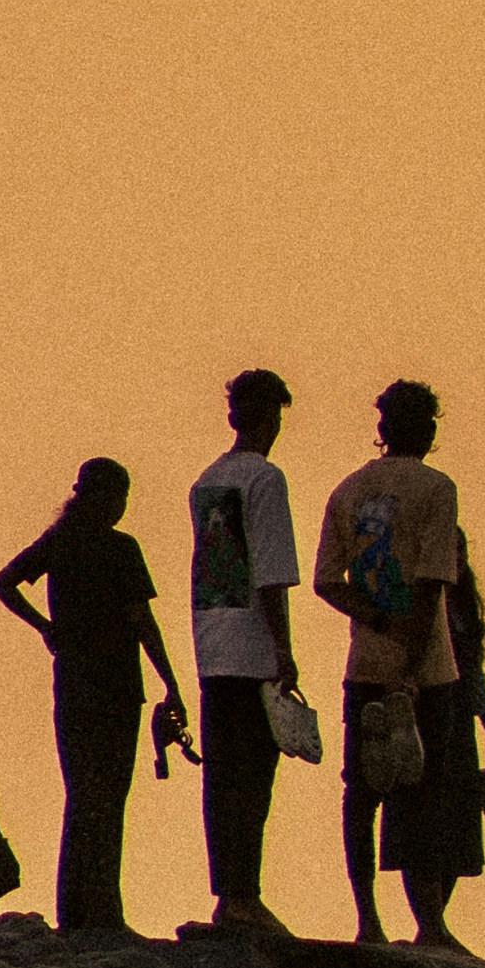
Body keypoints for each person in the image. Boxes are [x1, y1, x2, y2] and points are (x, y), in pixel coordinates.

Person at [0, 458, 187, 936]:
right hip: (117, 687)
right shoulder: (120, 548)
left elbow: (4, 583)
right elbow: (142, 620)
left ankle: (74, 911)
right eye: (121, 497)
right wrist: (172, 681)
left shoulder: (61, 541)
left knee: (81, 797)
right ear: (109, 498)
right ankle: (104, 913)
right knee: (109, 800)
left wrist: (46, 628)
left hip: (73, 685)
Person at [310, 375, 467, 950]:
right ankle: (430, 923)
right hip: (427, 669)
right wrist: (410, 667)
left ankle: (367, 921)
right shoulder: (436, 488)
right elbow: (430, 586)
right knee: (424, 791)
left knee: (361, 794)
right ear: (427, 428)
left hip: (364, 666)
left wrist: (373, 618)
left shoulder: (349, 491)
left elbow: (328, 581)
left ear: (382, 429)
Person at [187, 367, 304, 936]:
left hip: (212, 648)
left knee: (222, 781)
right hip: (253, 651)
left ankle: (228, 892)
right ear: (268, 417)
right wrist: (285, 651)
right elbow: (272, 575)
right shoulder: (265, 479)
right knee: (254, 781)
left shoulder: (207, 481)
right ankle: (244, 896)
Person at [379, 538, 485, 952]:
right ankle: (431, 925)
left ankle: (433, 926)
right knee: (420, 818)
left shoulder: (463, 608)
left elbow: (473, 674)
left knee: (457, 822)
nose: (456, 558)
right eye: (448, 549)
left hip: (458, 721)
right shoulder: (418, 602)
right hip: (419, 714)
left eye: (461, 550)